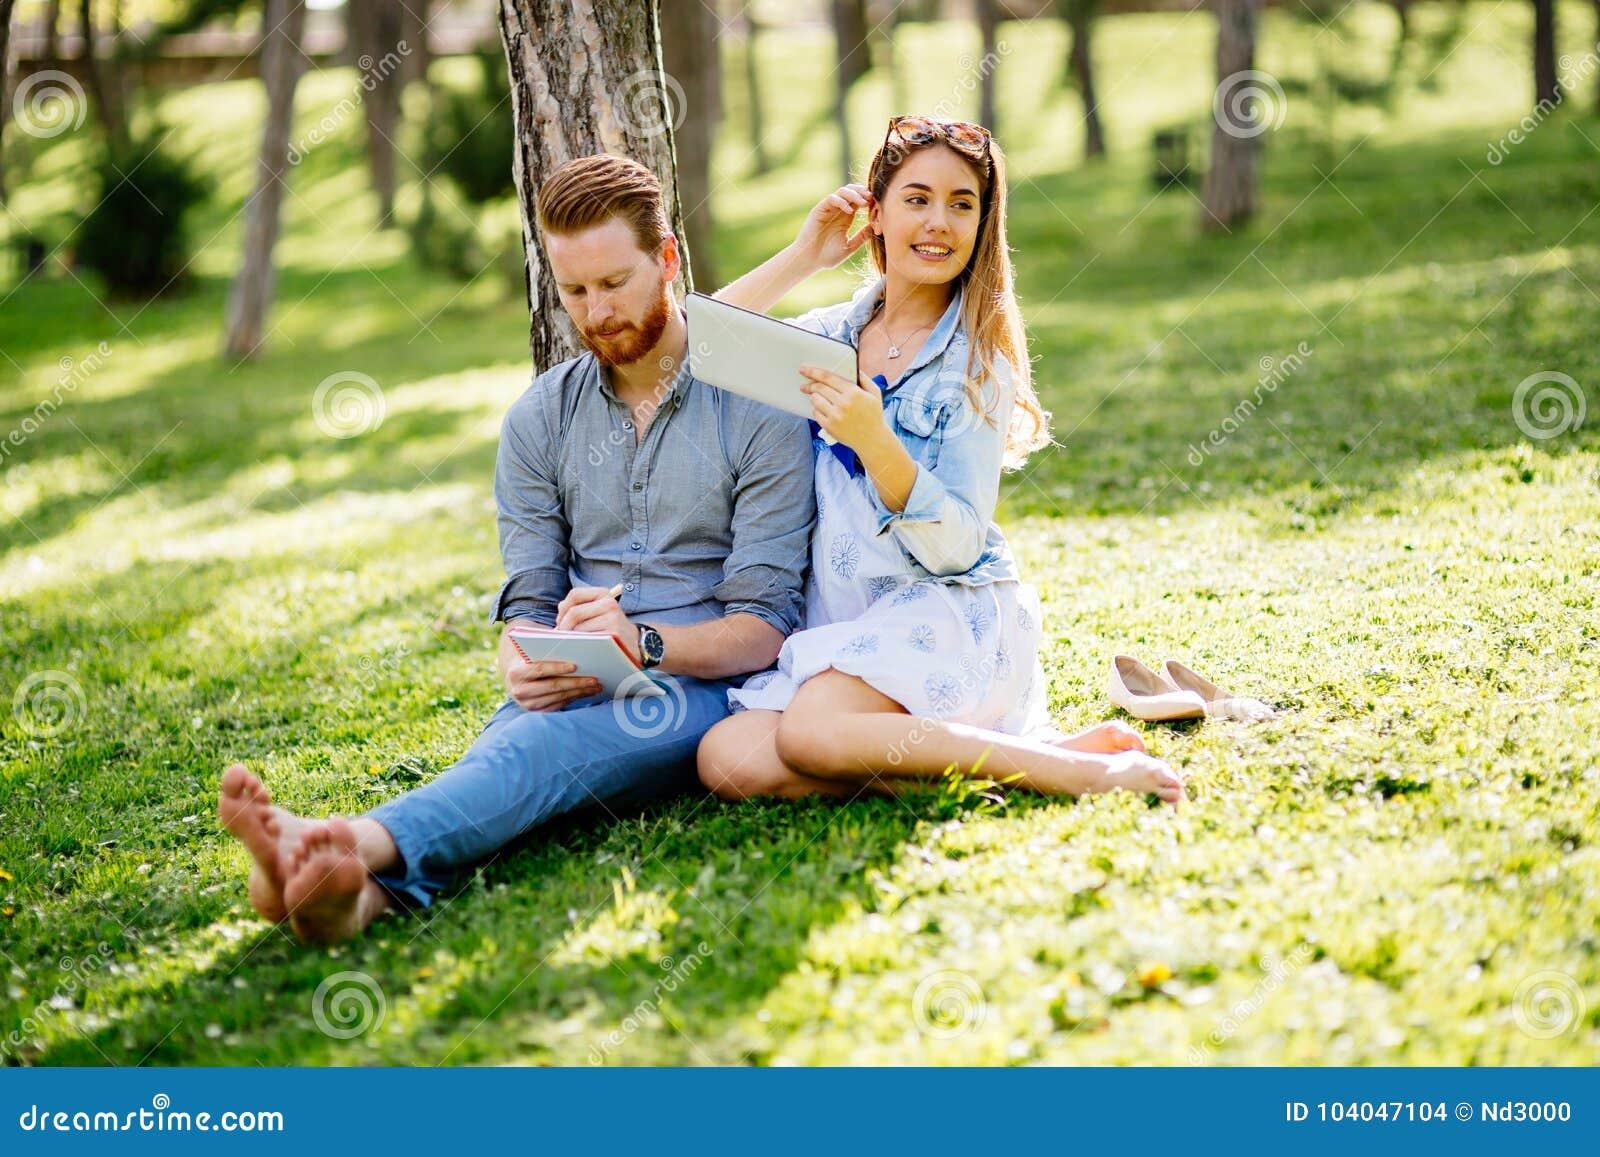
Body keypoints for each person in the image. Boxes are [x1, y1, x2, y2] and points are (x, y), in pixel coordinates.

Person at [218, 154, 815, 943]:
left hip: (705, 687)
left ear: (667, 259)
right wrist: (521, 663)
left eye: (615, 283)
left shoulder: (758, 410)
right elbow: (528, 599)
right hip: (574, 676)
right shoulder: (538, 420)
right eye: (574, 292)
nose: (596, 313)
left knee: (532, 757)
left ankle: (349, 842)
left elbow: (764, 626)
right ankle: (353, 902)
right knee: (518, 750)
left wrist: (638, 642)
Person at [696, 116, 1185, 807]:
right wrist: (805, 255)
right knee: (728, 757)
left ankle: (1078, 774)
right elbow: (705, 346)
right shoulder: (832, 334)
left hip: (943, 615)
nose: (939, 222)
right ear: (877, 213)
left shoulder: (976, 365)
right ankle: (1001, 762)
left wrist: (876, 441)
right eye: (917, 198)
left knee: (809, 732)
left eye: (963, 204)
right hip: (843, 627)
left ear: (984, 224)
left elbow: (956, 545)